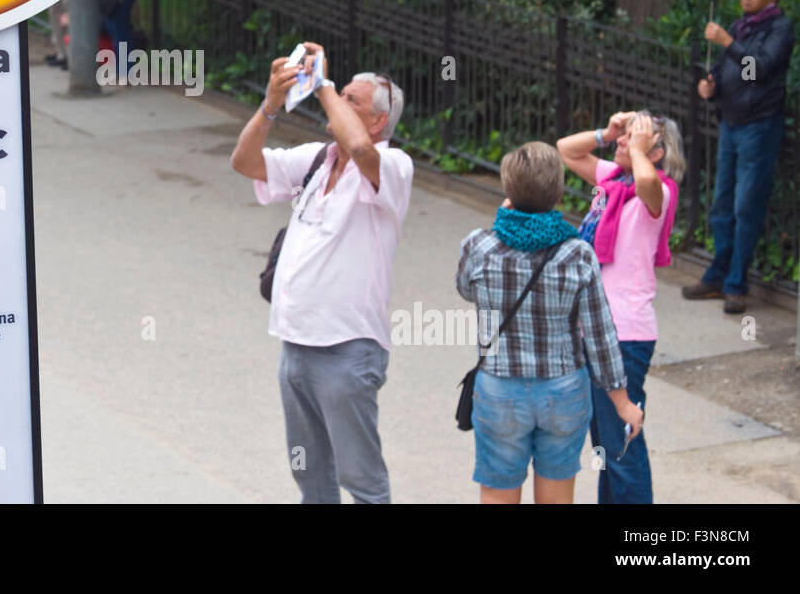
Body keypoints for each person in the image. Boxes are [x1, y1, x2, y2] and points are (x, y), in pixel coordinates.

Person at [231, 41, 412, 503]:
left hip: (347, 350)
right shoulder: (317, 157)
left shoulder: (392, 165)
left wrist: (325, 84)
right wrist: (271, 104)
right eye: (340, 93)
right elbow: (244, 162)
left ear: (377, 121)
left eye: (352, 99)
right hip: (295, 343)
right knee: (311, 478)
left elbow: (358, 145)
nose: (333, 100)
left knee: (362, 482)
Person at [456, 142, 644, 504]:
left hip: (499, 388)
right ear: (559, 193)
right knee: (557, 496)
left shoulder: (479, 245)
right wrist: (621, 402)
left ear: (508, 191)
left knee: (497, 493)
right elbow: (600, 334)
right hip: (563, 390)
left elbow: (466, 289)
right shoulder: (577, 253)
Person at [558, 110, 684, 504]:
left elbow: (647, 179)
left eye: (633, 138)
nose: (622, 143)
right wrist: (606, 131)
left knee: (621, 446)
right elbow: (567, 151)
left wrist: (641, 149)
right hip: (597, 329)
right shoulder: (614, 181)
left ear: (656, 151)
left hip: (625, 333)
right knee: (609, 445)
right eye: (624, 137)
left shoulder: (658, 190)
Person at [685, 0, 794, 314]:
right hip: (731, 125)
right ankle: (717, 276)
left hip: (758, 129)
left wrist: (728, 44)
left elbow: (757, 69)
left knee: (746, 207)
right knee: (721, 205)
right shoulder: (739, 25)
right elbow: (730, 69)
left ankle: (736, 284)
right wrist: (712, 84)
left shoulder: (779, 29)